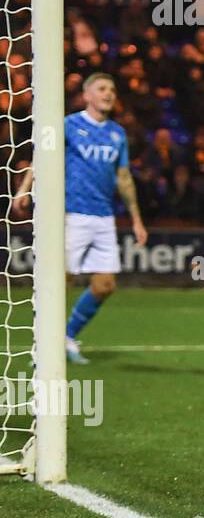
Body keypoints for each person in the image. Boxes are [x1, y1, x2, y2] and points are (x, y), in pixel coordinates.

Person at [13, 74, 148, 364]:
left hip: (104, 217)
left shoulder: (117, 134)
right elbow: (42, 158)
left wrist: (136, 219)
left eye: (112, 89)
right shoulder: (69, 125)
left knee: (105, 285)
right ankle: (44, 344)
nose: (108, 94)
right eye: (102, 89)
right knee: (62, 279)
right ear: (86, 95)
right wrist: (24, 190)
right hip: (72, 214)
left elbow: (123, 178)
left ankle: (66, 336)